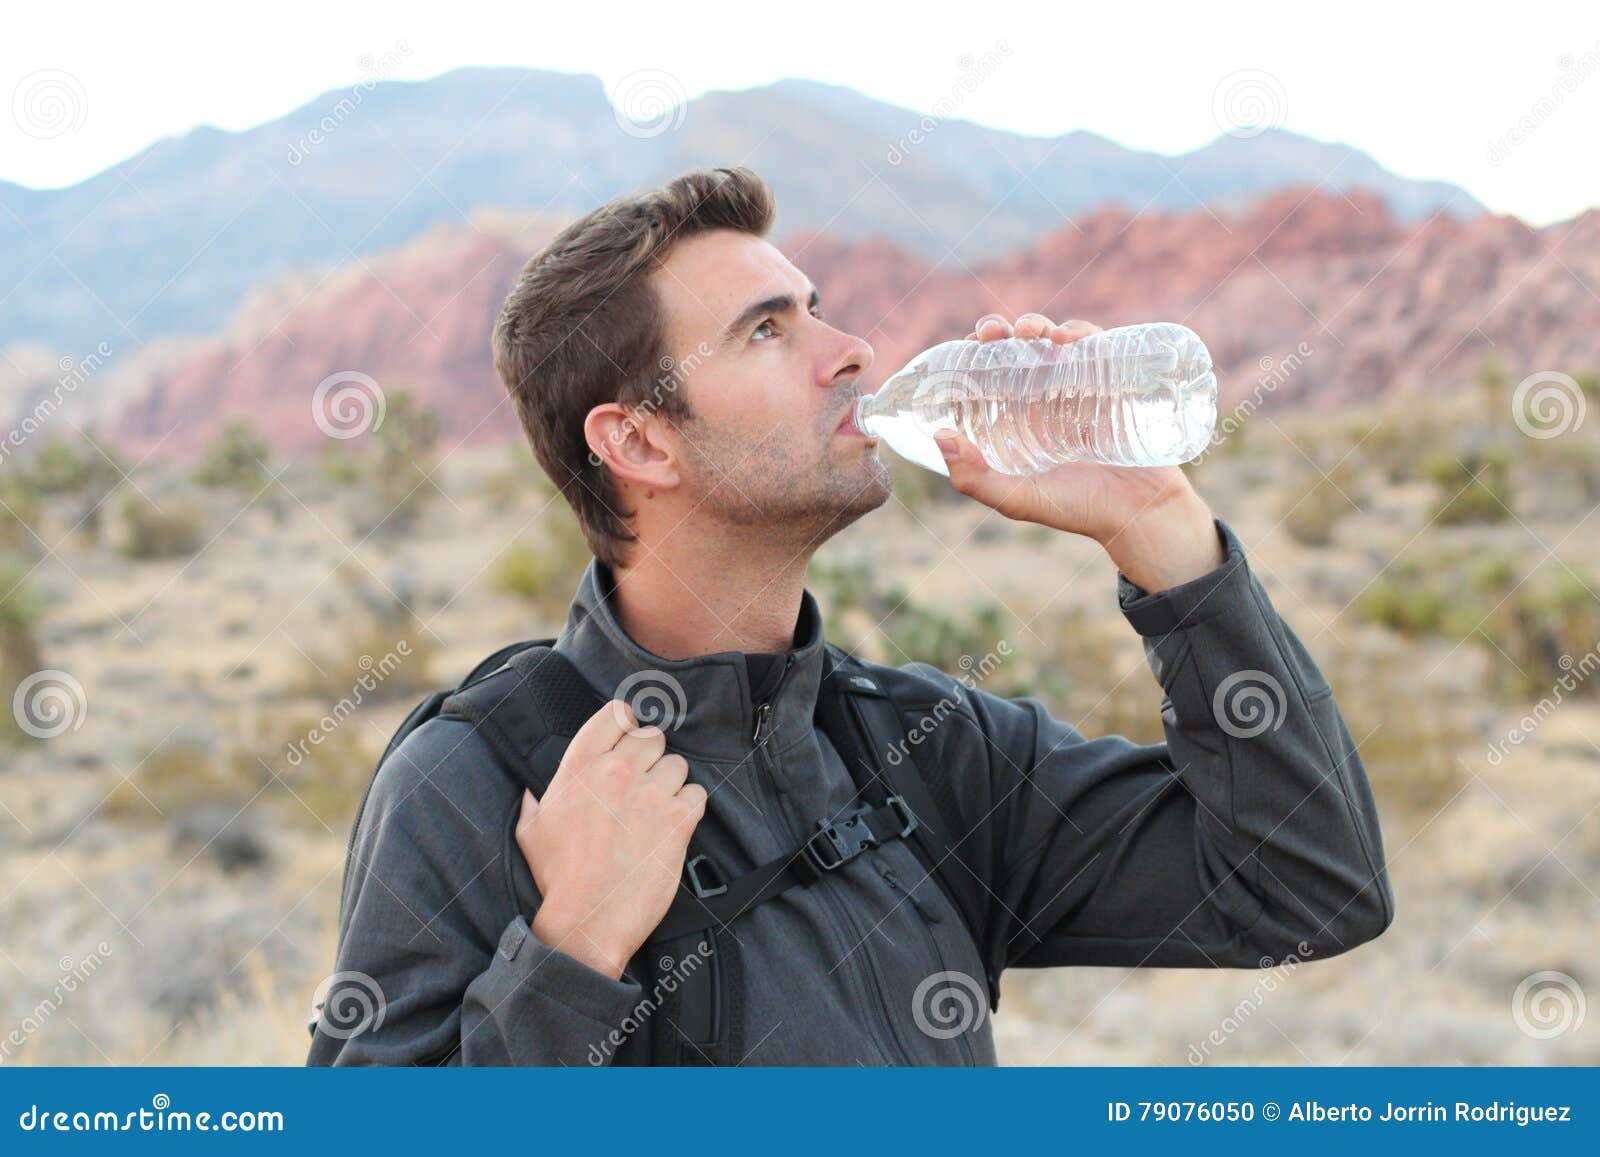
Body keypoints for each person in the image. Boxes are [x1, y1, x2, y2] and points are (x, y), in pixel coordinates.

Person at [308, 166, 1391, 1067]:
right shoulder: (483, 778)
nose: (851, 350)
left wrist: (1160, 529)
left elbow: (1306, 886)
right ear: (639, 442)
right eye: (768, 330)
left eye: (816, 308)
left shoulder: (926, 748)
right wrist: (571, 952)